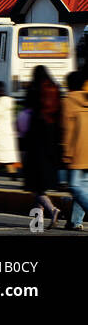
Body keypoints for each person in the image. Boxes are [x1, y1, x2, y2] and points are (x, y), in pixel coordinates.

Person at [22, 65, 64, 227]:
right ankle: (37, 222)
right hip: (51, 142)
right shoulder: (55, 90)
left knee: (34, 185)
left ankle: (52, 209)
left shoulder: (33, 90)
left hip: (35, 141)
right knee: (40, 185)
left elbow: (26, 113)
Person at [61, 70, 88, 231]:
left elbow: (66, 130)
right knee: (82, 188)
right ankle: (75, 222)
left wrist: (66, 153)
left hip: (76, 152)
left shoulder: (68, 101)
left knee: (74, 186)